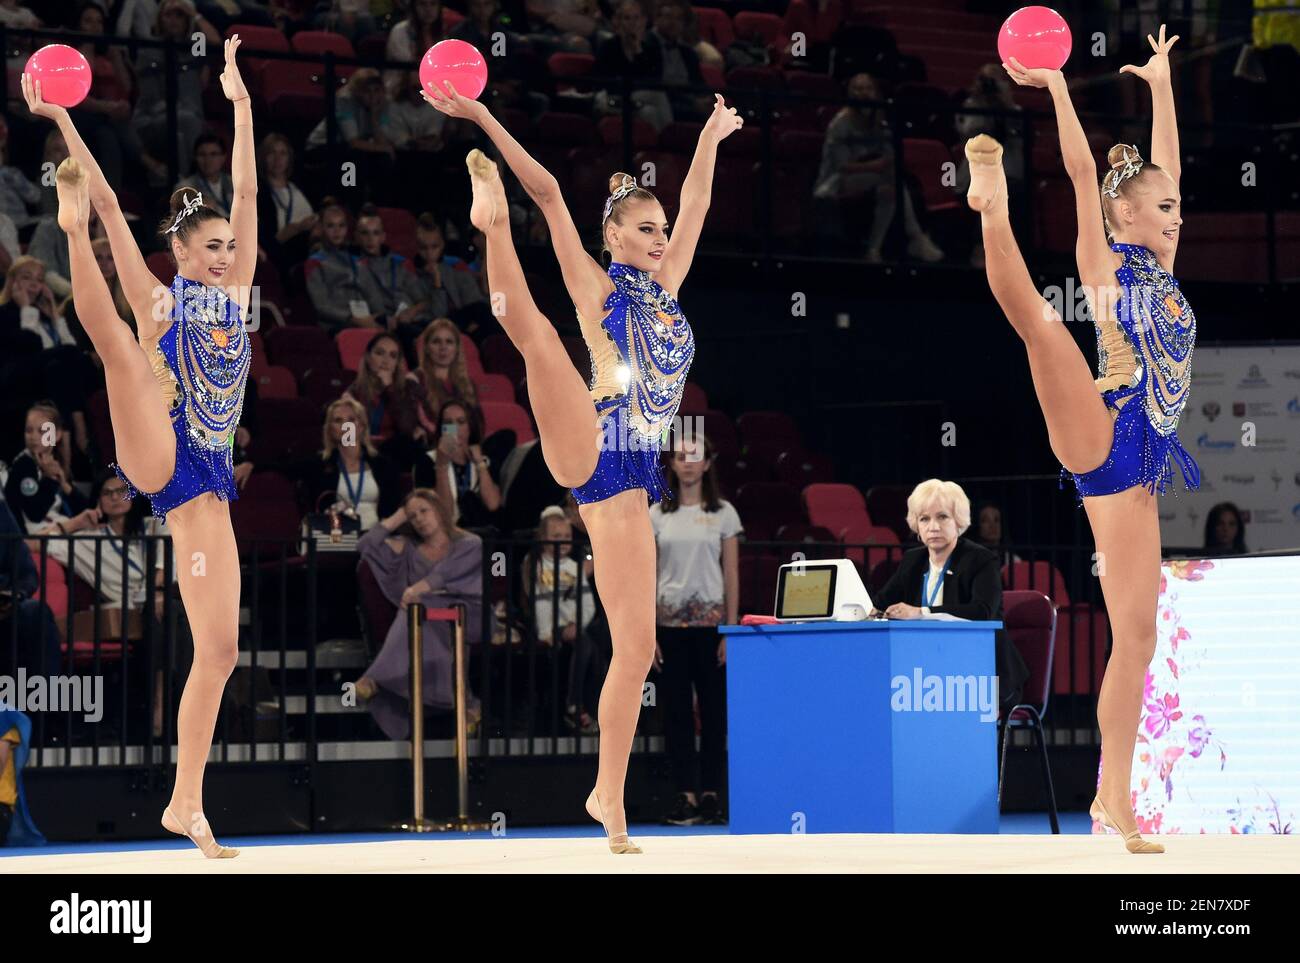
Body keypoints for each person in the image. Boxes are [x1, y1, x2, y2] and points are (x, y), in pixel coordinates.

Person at [422, 77, 741, 852]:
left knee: (634, 645)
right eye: (645, 228)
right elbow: (556, 193)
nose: (661, 235)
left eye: (660, 227)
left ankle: (608, 794)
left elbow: (696, 205)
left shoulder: (669, 287)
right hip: (591, 433)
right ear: (615, 239)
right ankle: (490, 221)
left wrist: (710, 135)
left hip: (632, 473)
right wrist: (481, 116)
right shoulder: (599, 288)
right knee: (532, 334)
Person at [22, 35, 257, 858]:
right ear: (184, 255)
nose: (227, 259)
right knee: (122, 339)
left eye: (231, 248)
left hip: (210, 482)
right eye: (213, 249)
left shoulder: (238, 297)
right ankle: (66, 227)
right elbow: (123, 207)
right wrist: (60, 120)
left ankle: (184, 803)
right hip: (160, 445)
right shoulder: (165, 297)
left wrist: (240, 102)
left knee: (220, 650)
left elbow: (249, 186)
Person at [968, 25, 1195, 853]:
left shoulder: (1165, 270)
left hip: (1138, 469)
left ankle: (1111, 797)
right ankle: (989, 207)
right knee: (1040, 324)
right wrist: (1059, 89)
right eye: (1162, 208)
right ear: (1123, 214)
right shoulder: (1104, 260)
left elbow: (1167, 164)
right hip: (1104, 423)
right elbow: (1077, 172)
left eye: (1176, 207)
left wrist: (1163, 84)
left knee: (1137, 631)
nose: (1176, 217)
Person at [868, 479, 1029, 711]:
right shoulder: (913, 561)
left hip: (983, 670)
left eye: (942, 517)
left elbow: (982, 612)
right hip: (927, 669)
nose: (933, 527)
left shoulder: (980, 559)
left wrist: (921, 613)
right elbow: (879, 603)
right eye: (924, 519)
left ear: (959, 521)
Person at [650, 435, 739, 826]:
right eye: (681, 457)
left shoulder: (723, 513)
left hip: (711, 627)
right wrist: (647, 632)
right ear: (672, 464)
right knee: (677, 714)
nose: (688, 463)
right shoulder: (657, 514)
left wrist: (730, 630)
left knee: (715, 713)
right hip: (668, 626)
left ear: (707, 464)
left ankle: (712, 796)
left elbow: (731, 574)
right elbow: (648, 574)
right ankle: (684, 794)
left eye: (695, 457)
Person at [353, 490, 485, 739]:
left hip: (467, 614)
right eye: (412, 516)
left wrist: (417, 589)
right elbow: (364, 546)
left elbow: (447, 575)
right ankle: (467, 703)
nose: (420, 519)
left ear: (438, 509)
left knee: (418, 609)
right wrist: (396, 517)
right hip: (427, 617)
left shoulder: (470, 543)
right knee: (416, 612)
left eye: (424, 511)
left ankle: (374, 680)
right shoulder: (409, 548)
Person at [813, 73, 945, 264]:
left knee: (890, 191)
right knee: (893, 181)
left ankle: (874, 250)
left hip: (876, 177)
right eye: (858, 88)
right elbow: (841, 166)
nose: (863, 93)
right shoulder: (840, 123)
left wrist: (885, 161)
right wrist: (876, 165)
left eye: (868, 88)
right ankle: (916, 237)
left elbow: (889, 154)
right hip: (836, 180)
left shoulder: (880, 121)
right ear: (849, 93)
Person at [524, 505, 603, 732]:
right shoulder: (539, 566)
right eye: (556, 537)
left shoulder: (574, 567)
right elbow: (541, 601)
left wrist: (577, 624)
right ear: (543, 538)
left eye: (567, 537)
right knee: (587, 646)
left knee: (593, 651)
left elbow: (587, 603)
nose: (563, 541)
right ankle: (574, 705)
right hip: (552, 627)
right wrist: (547, 632)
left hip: (574, 627)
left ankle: (584, 705)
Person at [300, 397, 400, 531]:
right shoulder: (318, 466)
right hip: (338, 539)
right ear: (329, 430)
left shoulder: (383, 465)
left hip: (376, 540)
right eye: (338, 421)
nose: (345, 426)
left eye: (351, 420)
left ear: (362, 426)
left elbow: (393, 510)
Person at [4, 401, 92, 533]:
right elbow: (35, 514)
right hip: (34, 537)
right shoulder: (23, 465)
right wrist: (49, 479)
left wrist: (64, 484)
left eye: (42, 431)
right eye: (29, 430)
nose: (33, 437)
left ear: (57, 435)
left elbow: (85, 511)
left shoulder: (55, 464)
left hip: (56, 530)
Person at [413, 399, 500, 527]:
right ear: (441, 428)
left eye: (461, 422)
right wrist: (441, 466)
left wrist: (480, 463)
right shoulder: (427, 461)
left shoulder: (484, 461)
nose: (454, 429)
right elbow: (443, 514)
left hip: (481, 535)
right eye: (448, 423)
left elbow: (492, 504)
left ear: (471, 427)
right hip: (445, 533)